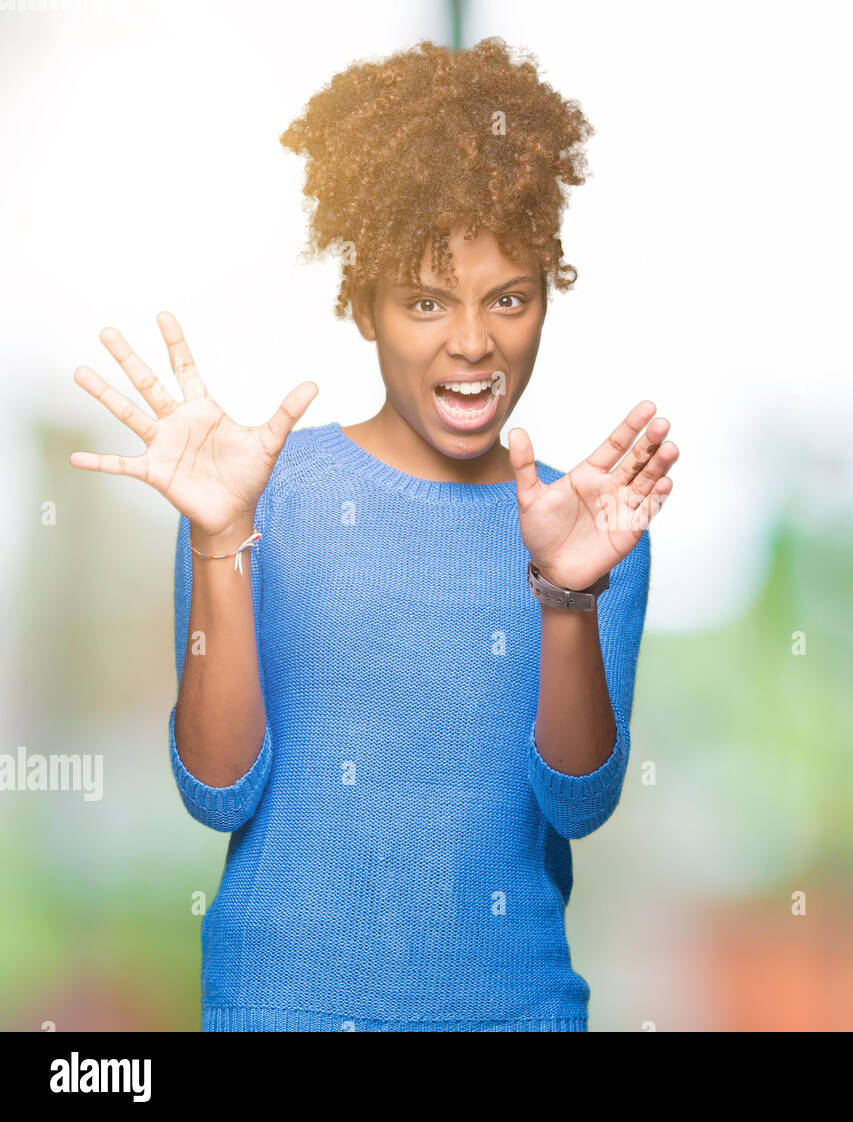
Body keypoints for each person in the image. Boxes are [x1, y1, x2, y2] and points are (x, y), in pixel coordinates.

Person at [68, 37, 677, 1032]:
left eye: (508, 299)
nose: (472, 341)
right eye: (425, 301)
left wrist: (566, 595)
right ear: (363, 306)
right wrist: (223, 537)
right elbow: (217, 794)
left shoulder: (589, 528)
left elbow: (578, 806)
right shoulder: (263, 494)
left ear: (545, 297)